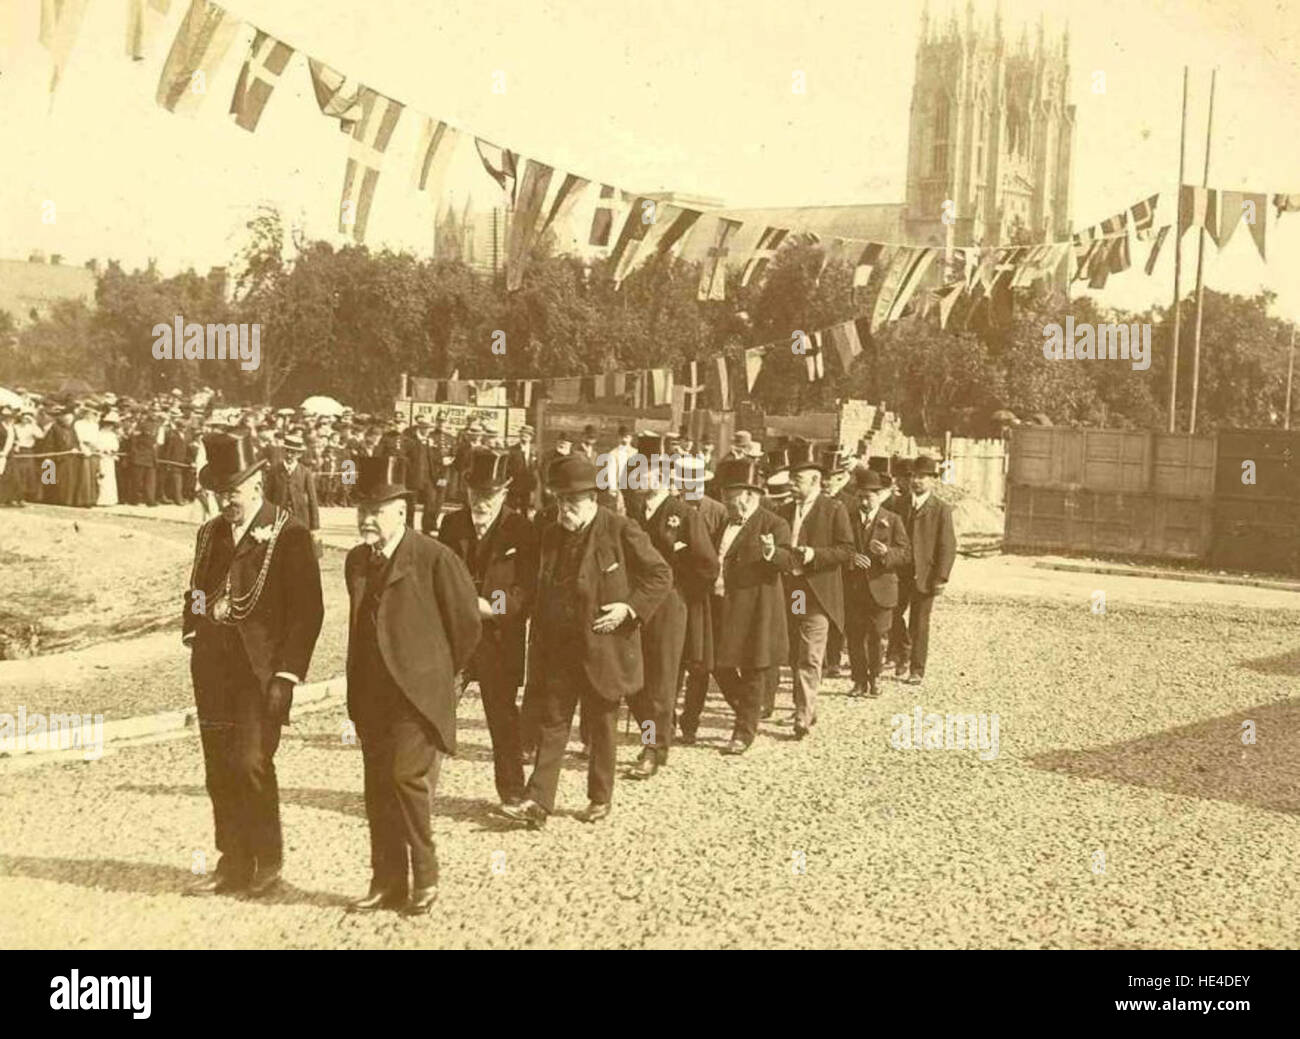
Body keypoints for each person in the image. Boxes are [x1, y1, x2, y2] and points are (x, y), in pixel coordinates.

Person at [183, 432, 324, 898]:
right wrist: (194, 628)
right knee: (218, 768)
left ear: (257, 484)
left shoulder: (289, 533)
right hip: (212, 669)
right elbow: (197, 588)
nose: (227, 501)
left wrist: (287, 673)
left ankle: (267, 859)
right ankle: (233, 861)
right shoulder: (210, 533)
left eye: (235, 492)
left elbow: (308, 612)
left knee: (250, 762)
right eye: (220, 492)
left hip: (260, 674)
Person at [499, 455, 671, 828]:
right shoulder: (550, 534)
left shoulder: (621, 529)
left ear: (593, 498)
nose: (565, 508)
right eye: (560, 500)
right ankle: (538, 801)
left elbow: (660, 574)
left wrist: (629, 608)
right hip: (559, 647)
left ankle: (599, 797)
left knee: (603, 725)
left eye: (573, 501)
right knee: (552, 722)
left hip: (605, 647)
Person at [343, 456, 481, 915]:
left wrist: (437, 673)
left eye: (377, 510)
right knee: (378, 787)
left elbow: (466, 624)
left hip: (418, 695)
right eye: (363, 509)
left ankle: (426, 876)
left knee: (406, 779)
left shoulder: (435, 558)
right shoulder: (357, 560)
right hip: (371, 694)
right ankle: (386, 882)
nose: (367, 518)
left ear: (402, 511)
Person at [438, 447, 538, 808]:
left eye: (490, 494)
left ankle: (512, 791)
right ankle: (416, 789)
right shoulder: (452, 525)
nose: (481, 501)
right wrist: (459, 606)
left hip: (498, 639)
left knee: (502, 718)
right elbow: (438, 575)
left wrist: (492, 607)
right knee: (435, 709)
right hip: (456, 638)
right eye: (476, 492)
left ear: (505, 492)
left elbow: (526, 588)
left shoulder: (521, 529)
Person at [624, 434, 718, 779]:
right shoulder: (634, 513)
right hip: (636, 604)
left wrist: (679, 594)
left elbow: (708, 566)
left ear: (662, 475)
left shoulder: (683, 514)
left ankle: (653, 748)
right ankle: (656, 735)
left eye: (645, 472)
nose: (638, 478)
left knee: (661, 683)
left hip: (669, 607)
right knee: (633, 681)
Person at [688, 457, 793, 754]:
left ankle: (743, 734)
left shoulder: (774, 523)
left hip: (756, 610)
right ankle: (747, 711)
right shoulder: (725, 522)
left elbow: (788, 560)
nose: (726, 503)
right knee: (717, 665)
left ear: (749, 496)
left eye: (730, 498)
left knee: (752, 671)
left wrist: (772, 553)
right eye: (724, 497)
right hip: (722, 605)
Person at [844, 468, 911, 698]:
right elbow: (839, 548)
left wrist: (886, 553)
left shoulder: (892, 520)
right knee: (854, 636)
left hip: (882, 589)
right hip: (854, 589)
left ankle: (875, 678)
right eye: (860, 497)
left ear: (879, 496)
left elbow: (906, 554)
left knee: (877, 636)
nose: (864, 502)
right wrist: (851, 558)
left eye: (869, 497)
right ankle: (858, 680)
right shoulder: (848, 518)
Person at [896, 456, 957, 686]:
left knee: (919, 623)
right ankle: (903, 648)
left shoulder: (941, 509)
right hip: (898, 573)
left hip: (925, 575)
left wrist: (941, 577)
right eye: (913, 476)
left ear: (933, 480)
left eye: (922, 477)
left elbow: (947, 545)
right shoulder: (898, 504)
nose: (916, 481)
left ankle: (916, 669)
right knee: (890, 614)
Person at [885, 456, 914, 675]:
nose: (905, 482)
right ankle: (896, 652)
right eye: (903, 478)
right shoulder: (892, 504)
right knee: (891, 611)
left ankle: (902, 651)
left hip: (912, 569)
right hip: (893, 565)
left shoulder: (920, 504)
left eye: (909, 478)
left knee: (896, 612)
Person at [265, 433, 321, 535]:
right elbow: (268, 497)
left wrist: (315, 526)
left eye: (293, 452)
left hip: (300, 517)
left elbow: (312, 499)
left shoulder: (305, 472)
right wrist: (266, 520)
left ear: (299, 454)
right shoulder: (274, 471)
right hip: (279, 518)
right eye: (287, 451)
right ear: (283, 451)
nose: (289, 455)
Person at [506, 424, 538, 513]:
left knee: (525, 506)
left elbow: (537, 466)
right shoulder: (512, 450)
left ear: (531, 437)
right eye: (523, 434)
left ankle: (524, 520)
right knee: (512, 506)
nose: (525, 436)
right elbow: (507, 466)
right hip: (515, 483)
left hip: (528, 483)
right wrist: (509, 479)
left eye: (527, 434)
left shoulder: (535, 450)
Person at [95, 411, 121, 507]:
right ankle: (100, 499)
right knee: (102, 477)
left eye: (111, 425)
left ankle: (110, 499)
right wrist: (104, 450)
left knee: (110, 479)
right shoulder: (99, 434)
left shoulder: (112, 435)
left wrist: (112, 450)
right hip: (101, 458)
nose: (110, 427)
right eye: (108, 424)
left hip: (109, 459)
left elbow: (115, 446)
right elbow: (97, 445)